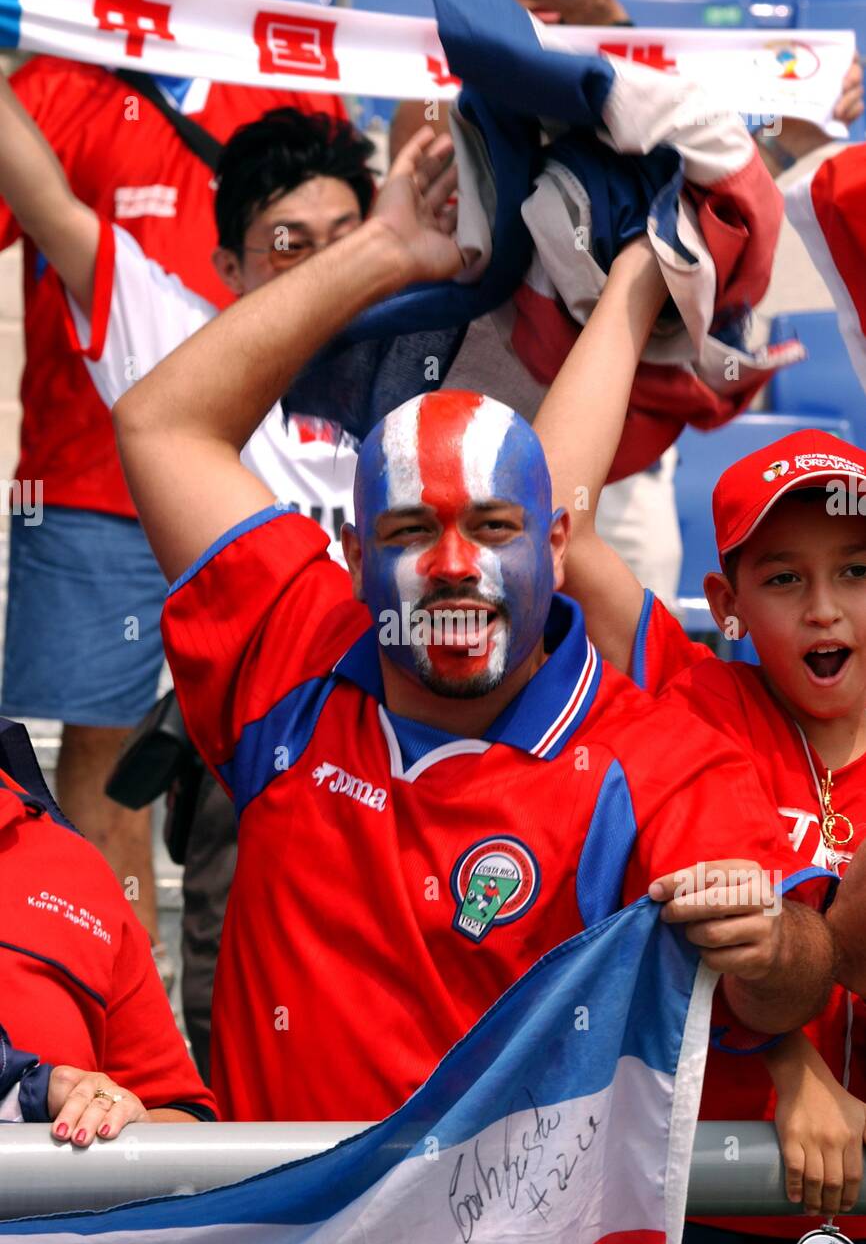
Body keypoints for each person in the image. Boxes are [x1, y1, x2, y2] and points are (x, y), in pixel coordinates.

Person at [111, 126, 835, 1129]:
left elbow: (789, 979)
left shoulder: (657, 754)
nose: (455, 564)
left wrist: (767, 949)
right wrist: (385, 250)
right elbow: (160, 423)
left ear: (554, 539)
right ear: (355, 555)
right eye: (411, 529)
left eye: (492, 528)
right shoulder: (293, 650)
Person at [0, 75, 376, 1072]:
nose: (322, 265)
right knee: (242, 1001)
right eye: (288, 243)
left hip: (412, 742)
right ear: (225, 266)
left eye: (348, 236)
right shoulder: (178, 341)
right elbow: (45, 200)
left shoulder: (440, 346)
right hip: (265, 757)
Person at [533, 232, 866, 1244]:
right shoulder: (694, 694)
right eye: (781, 579)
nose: (824, 607)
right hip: (714, 1206)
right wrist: (636, 281)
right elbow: (553, 519)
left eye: (856, 570)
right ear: (721, 606)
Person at [0, 721, 216, 1143]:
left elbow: (185, 1119)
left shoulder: (72, 867)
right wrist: (37, 1094)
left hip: (68, 1207)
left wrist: (126, 1120)